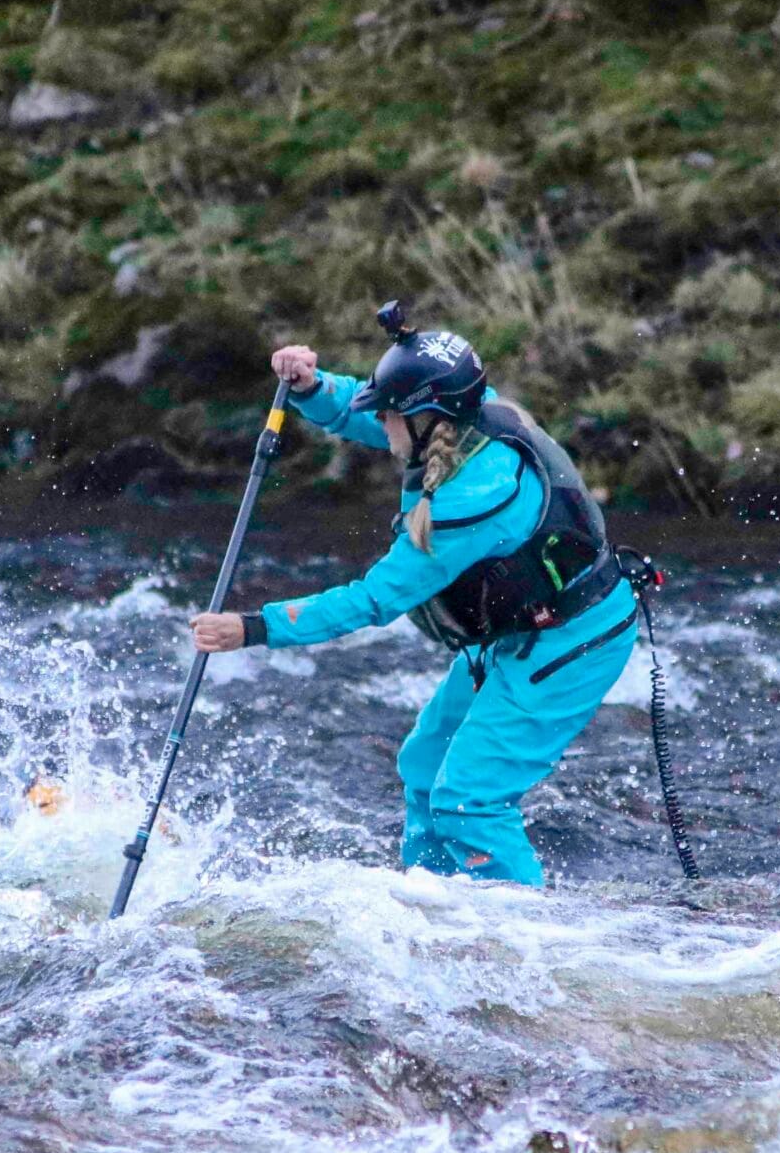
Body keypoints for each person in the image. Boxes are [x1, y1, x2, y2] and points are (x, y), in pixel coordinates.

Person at [188, 303, 640, 885]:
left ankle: (523, 928)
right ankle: (435, 907)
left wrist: (254, 627)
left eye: (389, 412)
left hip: (572, 640)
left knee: (469, 802)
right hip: (521, 631)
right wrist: (312, 388)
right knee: (425, 770)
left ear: (426, 419)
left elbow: (372, 600)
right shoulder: (463, 416)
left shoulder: (469, 504)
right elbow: (365, 416)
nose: (380, 422)